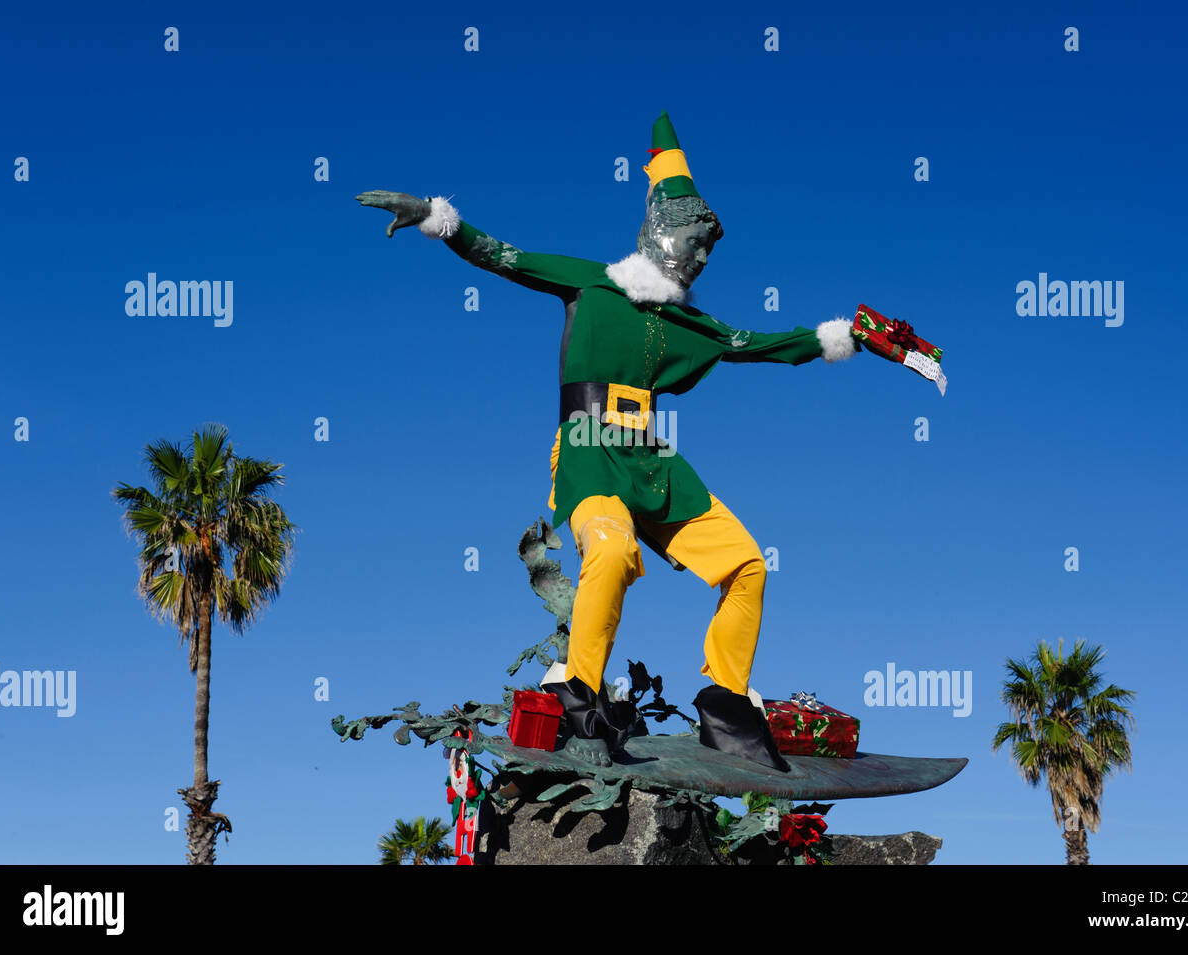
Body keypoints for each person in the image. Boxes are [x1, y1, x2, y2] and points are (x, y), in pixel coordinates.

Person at [357, 111, 860, 771]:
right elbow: (504, 256)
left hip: (650, 460)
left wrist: (847, 336)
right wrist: (437, 218)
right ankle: (578, 690)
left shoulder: (691, 324)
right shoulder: (590, 281)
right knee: (614, 546)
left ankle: (727, 703)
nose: (702, 259)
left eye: (709, 251)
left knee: (746, 564)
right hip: (591, 446)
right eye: (693, 242)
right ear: (657, 233)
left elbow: (762, 344)